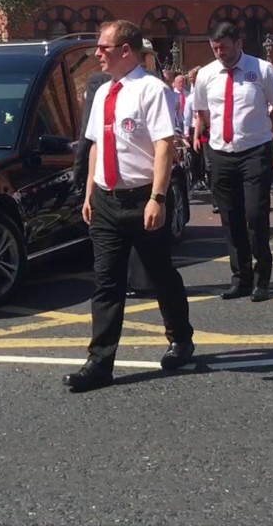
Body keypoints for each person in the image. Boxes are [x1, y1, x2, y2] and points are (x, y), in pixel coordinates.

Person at [63, 20, 195, 393]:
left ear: (126, 50)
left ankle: (181, 339)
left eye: (104, 47)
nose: (97, 54)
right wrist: (90, 192)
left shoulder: (152, 90)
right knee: (106, 282)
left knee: (160, 275)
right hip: (106, 199)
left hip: (141, 198)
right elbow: (95, 148)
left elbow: (165, 146)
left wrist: (158, 197)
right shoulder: (104, 92)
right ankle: (100, 363)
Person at [191, 20, 273, 302]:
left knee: (255, 214)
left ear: (239, 43)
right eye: (214, 48)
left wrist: (264, 132)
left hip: (255, 151)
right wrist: (219, 135)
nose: (219, 52)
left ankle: (263, 277)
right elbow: (203, 112)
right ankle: (241, 277)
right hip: (222, 153)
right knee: (230, 215)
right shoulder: (207, 75)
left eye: (223, 47)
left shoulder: (261, 70)